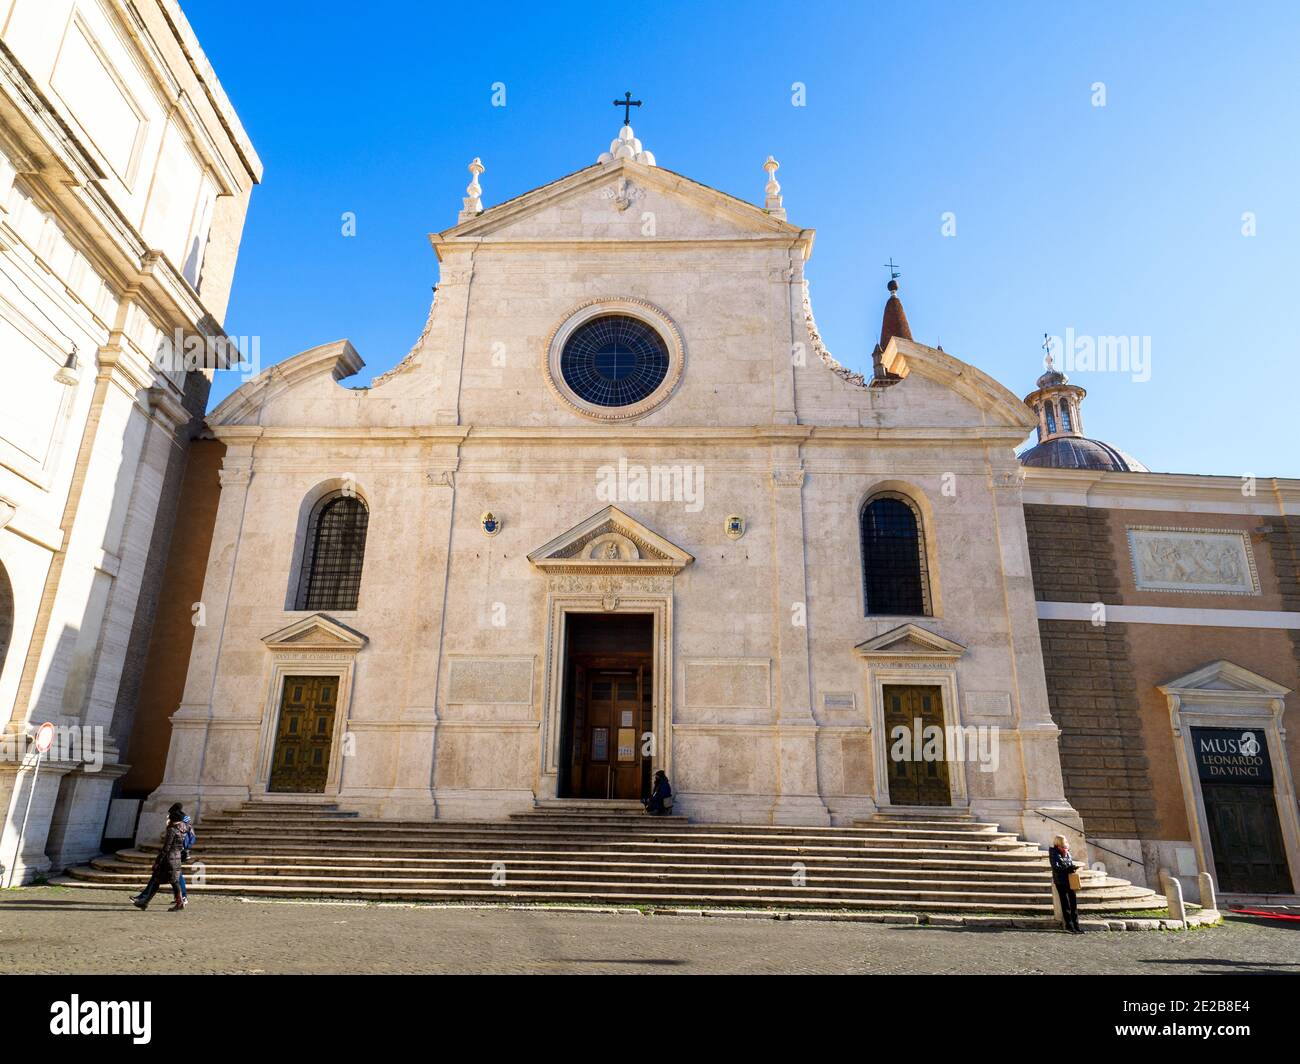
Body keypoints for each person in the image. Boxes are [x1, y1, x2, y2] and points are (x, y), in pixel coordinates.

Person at [132, 804, 188, 911]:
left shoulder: (172, 830)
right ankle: (144, 902)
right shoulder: (182, 830)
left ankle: (179, 902)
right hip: (176, 858)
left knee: (171, 881)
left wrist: (158, 861)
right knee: (161, 880)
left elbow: (166, 848)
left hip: (168, 859)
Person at [1049, 833, 1082, 933]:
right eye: (1064, 841)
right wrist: (1068, 869)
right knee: (1066, 904)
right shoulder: (1054, 852)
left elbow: (1069, 863)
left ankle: (1076, 925)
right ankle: (1069, 925)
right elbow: (1055, 867)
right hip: (1061, 880)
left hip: (1070, 880)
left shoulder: (1067, 851)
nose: (1066, 843)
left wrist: (1072, 867)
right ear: (1059, 842)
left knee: (1073, 903)